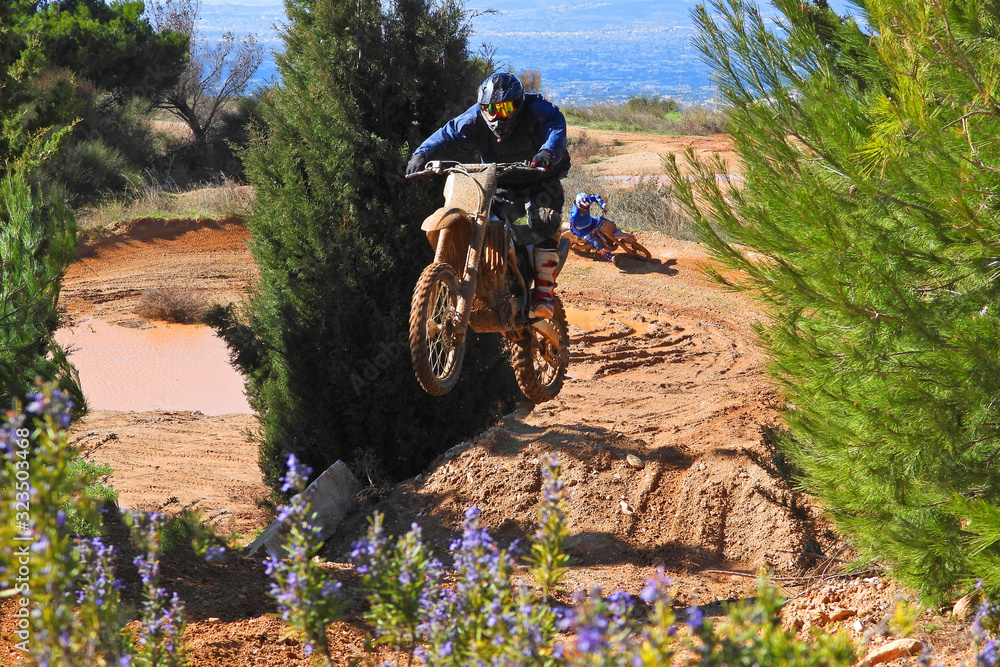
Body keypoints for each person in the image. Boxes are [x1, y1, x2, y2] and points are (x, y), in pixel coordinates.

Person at [405, 72, 571, 319]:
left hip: (540, 178)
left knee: (543, 220)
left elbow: (555, 129)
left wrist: (547, 152)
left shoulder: (538, 109)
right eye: (490, 109)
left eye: (504, 108)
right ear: (482, 107)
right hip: (501, 182)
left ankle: (544, 293)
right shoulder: (475, 117)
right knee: (479, 221)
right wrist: (422, 153)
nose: (497, 116)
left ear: (518, 103)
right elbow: (449, 132)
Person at [569, 193, 615, 262]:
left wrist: (601, 204)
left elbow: (595, 196)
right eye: (584, 206)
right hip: (582, 229)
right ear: (579, 204)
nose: (586, 208)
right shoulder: (575, 214)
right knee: (596, 240)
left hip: (591, 221)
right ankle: (609, 256)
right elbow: (572, 228)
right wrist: (581, 235)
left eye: (587, 206)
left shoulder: (586, 201)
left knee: (609, 222)